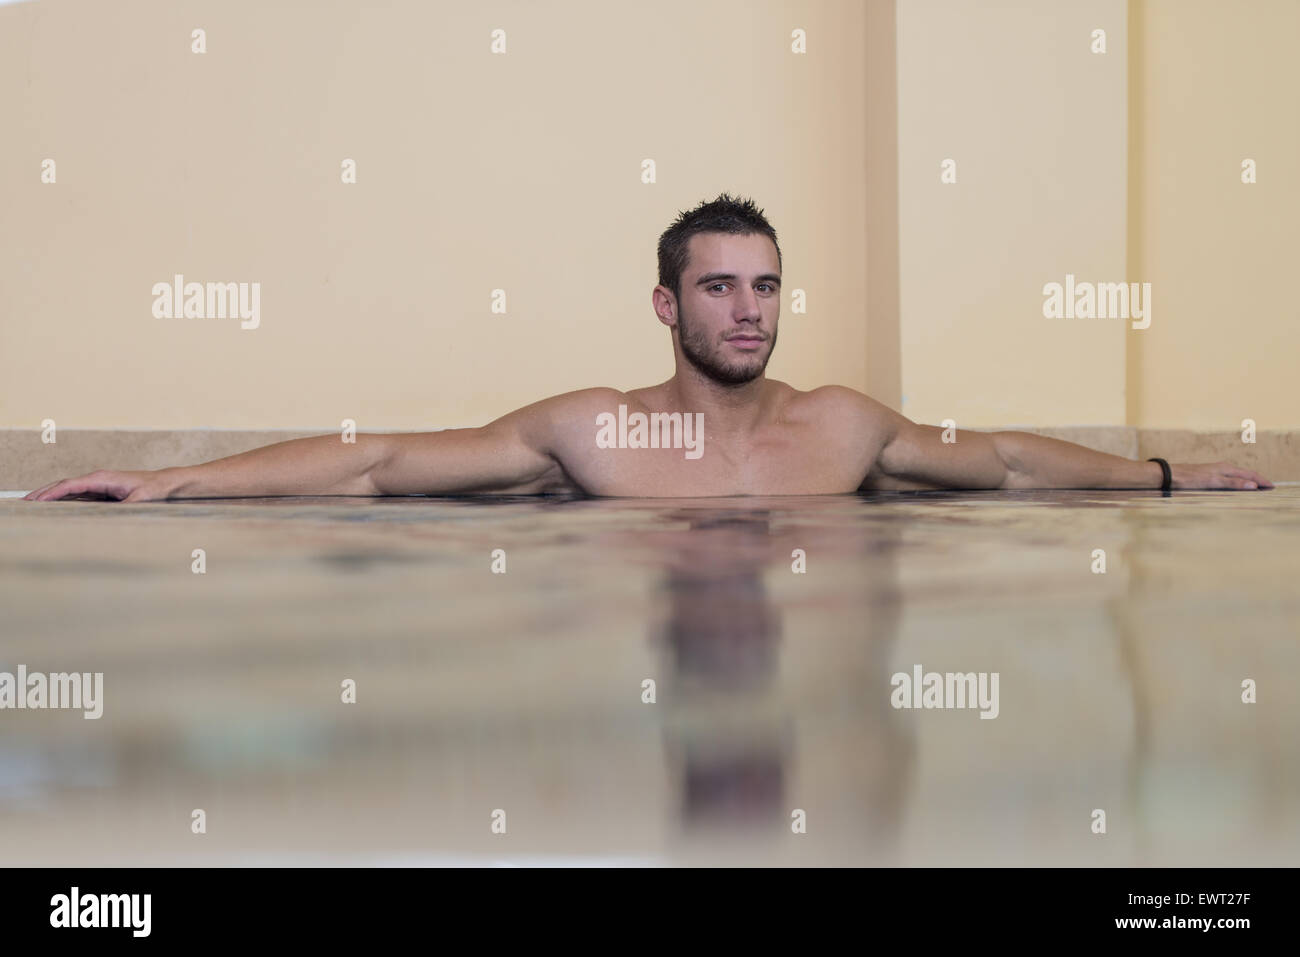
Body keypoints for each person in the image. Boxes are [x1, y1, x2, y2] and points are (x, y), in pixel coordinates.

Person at [24, 194, 1273, 502]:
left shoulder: (841, 425)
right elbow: (377, 463)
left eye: (765, 287)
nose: (748, 310)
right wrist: (176, 483)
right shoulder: (595, 429)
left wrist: (1168, 480)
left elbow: (999, 463)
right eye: (718, 287)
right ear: (666, 307)